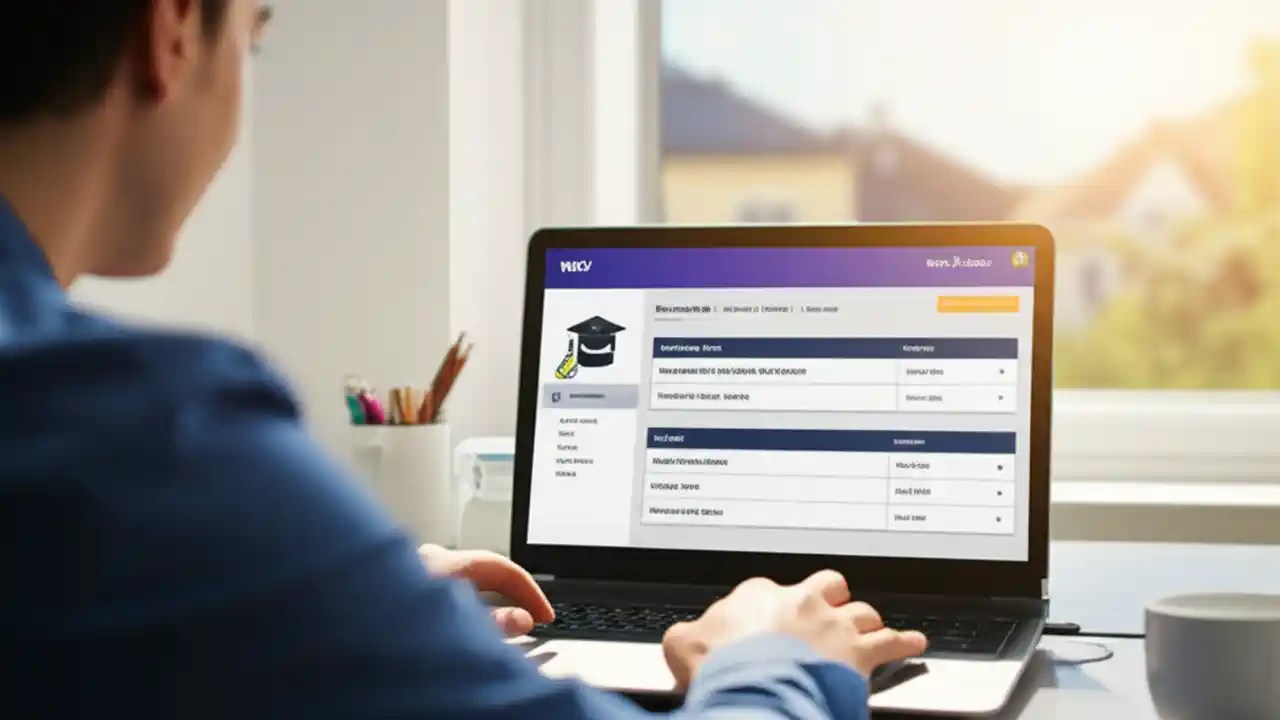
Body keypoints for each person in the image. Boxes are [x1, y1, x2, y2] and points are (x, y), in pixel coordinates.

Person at [0, 2, 926, 718]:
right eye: (254, 36)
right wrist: (775, 664)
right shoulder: (141, 441)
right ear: (170, 32)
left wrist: (337, 606)